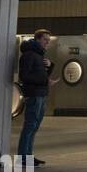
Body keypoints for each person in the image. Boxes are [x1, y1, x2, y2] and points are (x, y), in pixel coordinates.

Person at [16, 29, 57, 165]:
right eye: (45, 40)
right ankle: (23, 157)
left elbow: (42, 76)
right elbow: (24, 76)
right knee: (30, 126)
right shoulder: (29, 55)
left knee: (34, 127)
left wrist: (50, 66)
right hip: (34, 95)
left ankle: (28, 155)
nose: (47, 43)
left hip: (41, 94)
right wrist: (45, 81)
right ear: (37, 39)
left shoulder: (39, 56)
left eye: (49, 40)